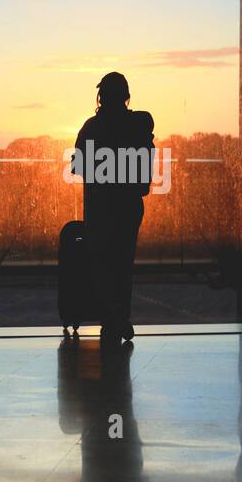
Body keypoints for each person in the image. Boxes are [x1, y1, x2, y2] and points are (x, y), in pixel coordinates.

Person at [72, 72, 154, 348]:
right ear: (125, 97)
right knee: (122, 264)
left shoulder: (91, 128)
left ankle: (112, 319)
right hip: (128, 207)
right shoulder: (138, 125)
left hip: (100, 208)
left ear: (101, 97)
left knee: (103, 265)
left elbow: (79, 167)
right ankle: (118, 318)